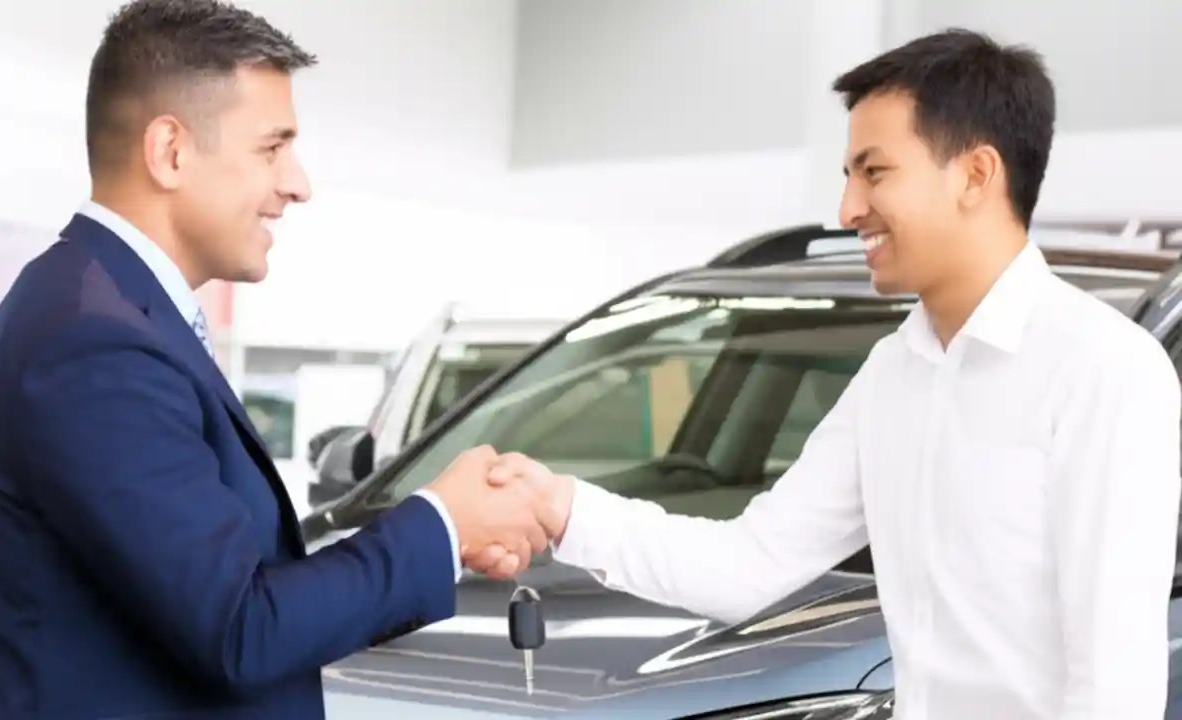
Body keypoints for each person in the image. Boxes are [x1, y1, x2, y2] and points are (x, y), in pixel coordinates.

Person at [484, 29, 1182, 720]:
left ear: (975, 174)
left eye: (874, 173)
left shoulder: (1103, 370)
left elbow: (1114, 685)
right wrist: (563, 507)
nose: (849, 209)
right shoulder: (894, 372)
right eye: (849, 176)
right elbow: (750, 564)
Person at [0, 1, 551, 718]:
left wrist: (446, 533)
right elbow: (240, 628)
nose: (298, 184)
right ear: (171, 152)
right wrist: (443, 524)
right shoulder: (94, 344)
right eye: (272, 148)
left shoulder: (105, 309)